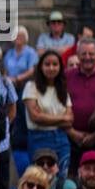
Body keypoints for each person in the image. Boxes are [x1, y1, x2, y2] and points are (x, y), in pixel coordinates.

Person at [22, 49, 73, 180]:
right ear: (41, 66)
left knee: (61, 178)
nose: (51, 68)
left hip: (61, 139)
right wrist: (62, 117)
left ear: (60, 67)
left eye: (55, 64)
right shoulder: (31, 86)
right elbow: (35, 117)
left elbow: (70, 119)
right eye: (47, 64)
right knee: (40, 179)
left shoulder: (62, 89)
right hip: (39, 138)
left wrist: (45, 117)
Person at [65, 39, 95, 171]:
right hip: (70, 140)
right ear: (78, 55)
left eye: (91, 54)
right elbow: (58, 108)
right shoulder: (66, 76)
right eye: (83, 54)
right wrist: (72, 132)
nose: (87, 57)